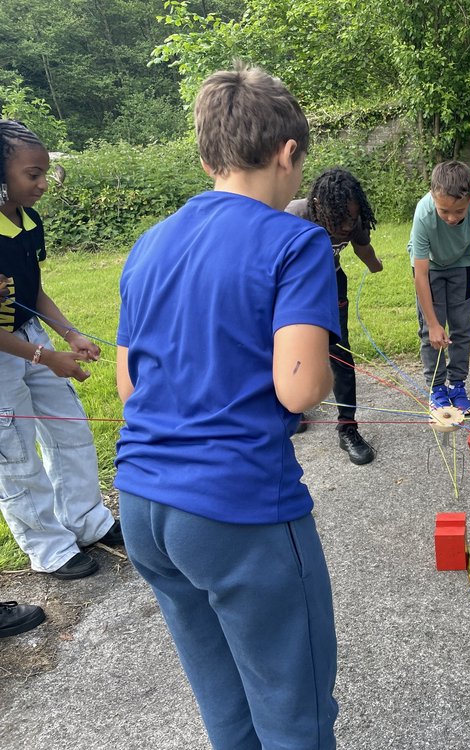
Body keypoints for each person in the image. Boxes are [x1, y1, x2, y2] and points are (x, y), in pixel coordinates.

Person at [115, 65, 339, 747]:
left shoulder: (148, 245)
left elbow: (131, 388)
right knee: (293, 712)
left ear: (208, 155)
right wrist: (316, 381)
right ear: (288, 152)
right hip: (238, 512)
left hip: (142, 507)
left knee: (226, 704)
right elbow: (299, 389)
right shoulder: (295, 240)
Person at [0, 120, 122, 581]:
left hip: (30, 334)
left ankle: (86, 519)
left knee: (69, 426)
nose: (43, 184)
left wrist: (67, 335)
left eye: (45, 173)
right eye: (32, 174)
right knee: (15, 454)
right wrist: (44, 358)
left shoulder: (27, 219)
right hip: (4, 353)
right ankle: (48, 548)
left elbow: (35, 290)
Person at [286, 168, 382, 465]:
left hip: (332, 282)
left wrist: (374, 265)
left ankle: (348, 429)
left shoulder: (353, 218)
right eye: (338, 219)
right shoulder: (294, 215)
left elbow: (362, 246)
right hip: (294, 288)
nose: (345, 226)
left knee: (339, 354)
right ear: (319, 206)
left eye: (350, 219)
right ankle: (293, 406)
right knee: (290, 349)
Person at [407, 160, 470, 414]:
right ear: (434, 197)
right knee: (430, 333)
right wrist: (434, 323)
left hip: (461, 265)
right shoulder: (424, 213)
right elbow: (421, 275)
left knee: (462, 328)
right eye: (444, 210)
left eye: (458, 211)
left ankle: (457, 385)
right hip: (431, 267)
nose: (451, 218)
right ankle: (436, 389)